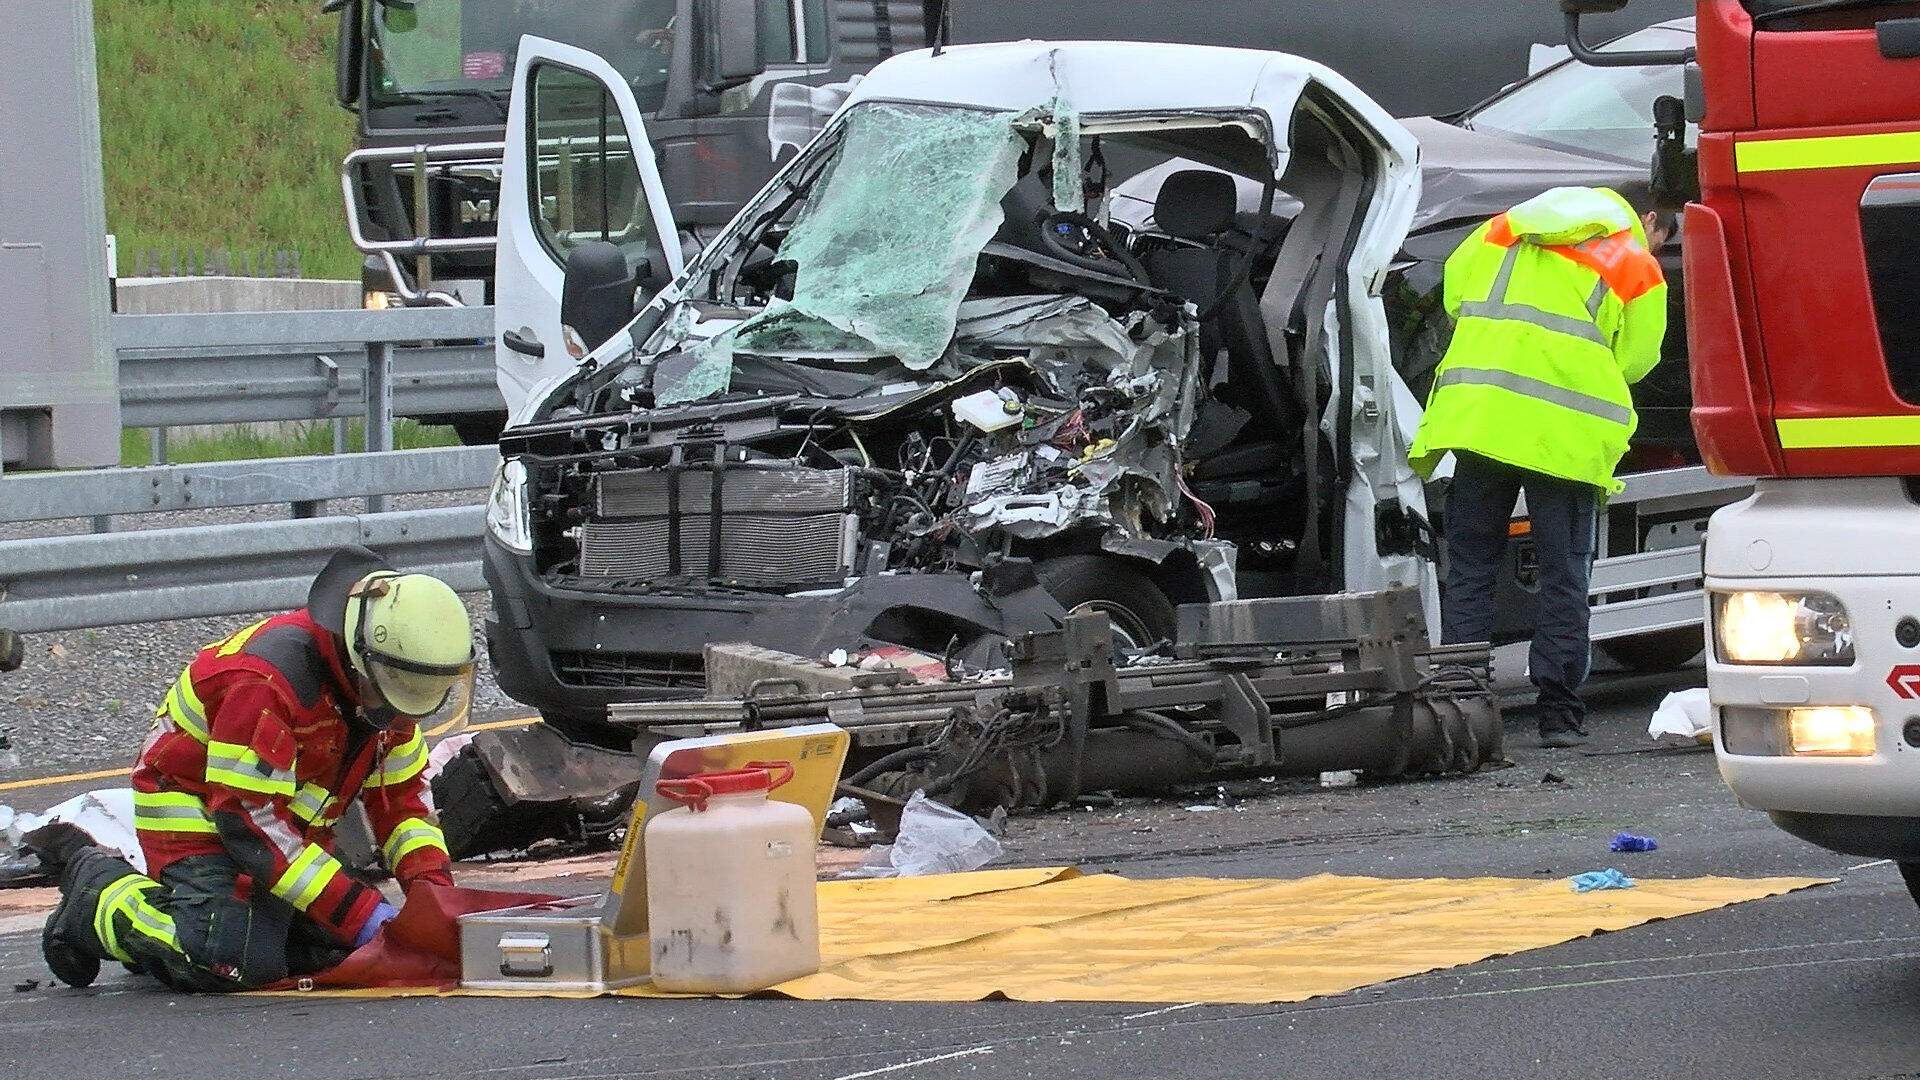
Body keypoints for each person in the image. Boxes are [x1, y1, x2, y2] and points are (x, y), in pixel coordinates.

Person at [24, 546, 475, 991]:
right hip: (200, 813)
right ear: (361, 658)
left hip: (283, 825)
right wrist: (360, 912)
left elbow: (402, 806)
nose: (401, 716)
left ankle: (178, 927)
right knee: (225, 959)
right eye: (395, 694)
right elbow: (248, 822)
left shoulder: (386, 688)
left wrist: (432, 900)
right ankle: (99, 898)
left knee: (334, 953)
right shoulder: (265, 684)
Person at [1408, 186, 1671, 749]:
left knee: (1472, 567)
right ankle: (1558, 714)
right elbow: (1638, 361)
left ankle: (1464, 709)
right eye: (1659, 236)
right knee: (1563, 574)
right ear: (1648, 218)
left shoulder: (1502, 229)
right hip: (1563, 437)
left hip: (1481, 420)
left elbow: (1454, 296)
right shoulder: (1633, 261)